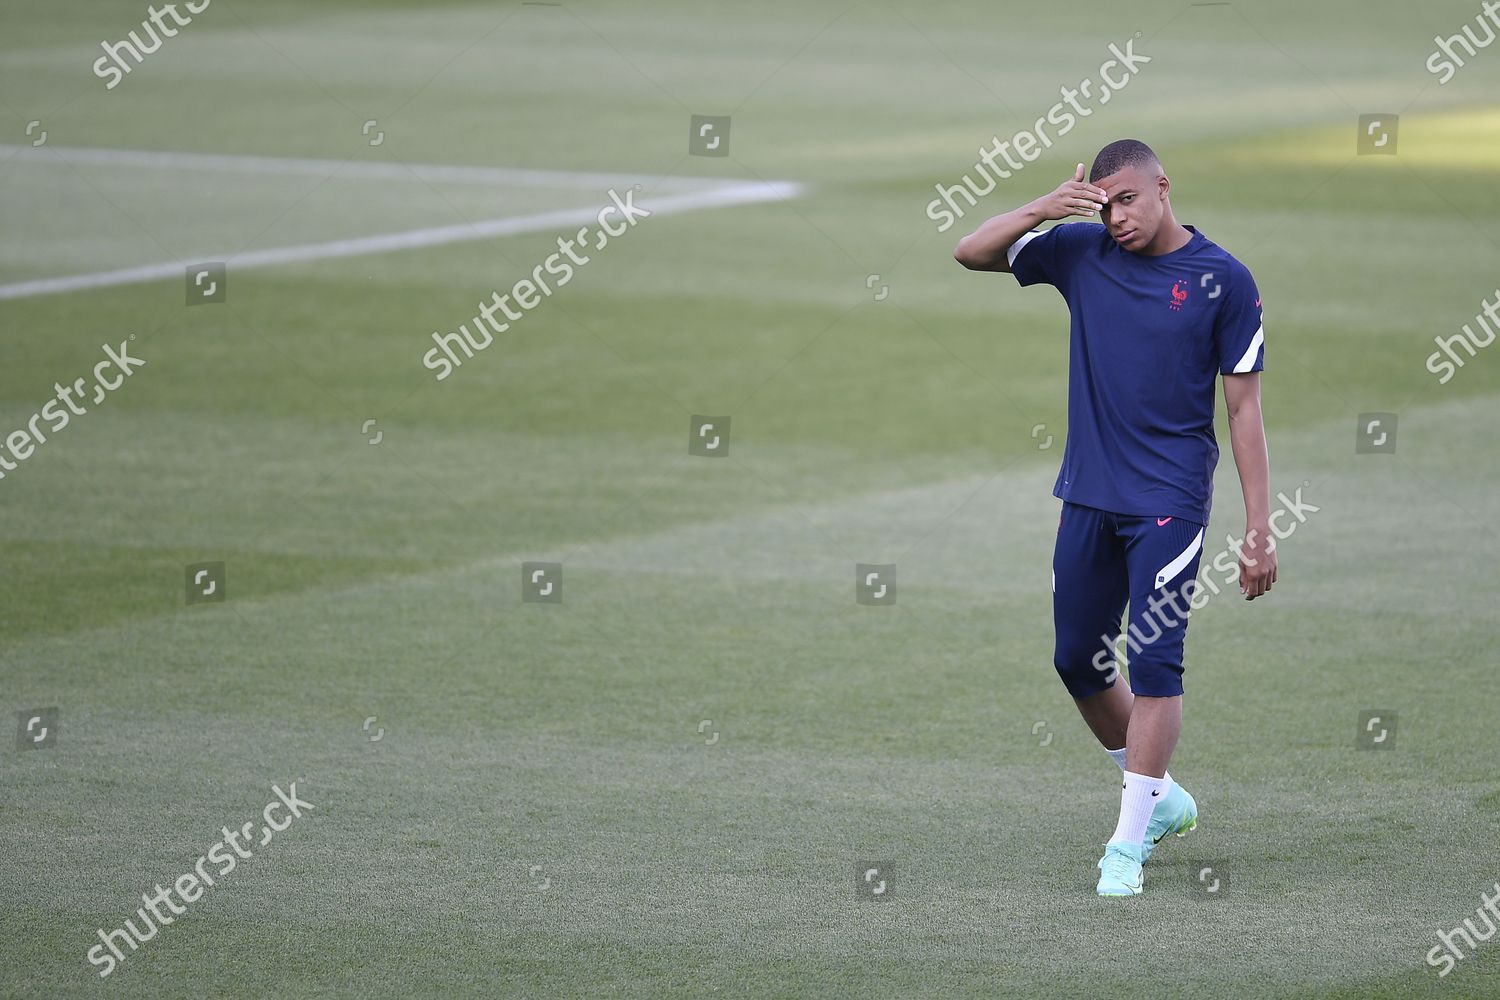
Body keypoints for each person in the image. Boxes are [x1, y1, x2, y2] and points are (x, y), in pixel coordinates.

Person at [953, 139, 1276, 896]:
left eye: (1127, 199)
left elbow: (1244, 410)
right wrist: (1042, 208)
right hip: (1090, 495)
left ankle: (1127, 845)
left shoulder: (1223, 280)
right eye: (1103, 203)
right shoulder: (1079, 250)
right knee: (1077, 661)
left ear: (1162, 187)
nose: (1116, 216)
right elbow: (970, 252)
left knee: (1155, 659)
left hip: (1169, 502)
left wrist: (1259, 528)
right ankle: (1159, 796)